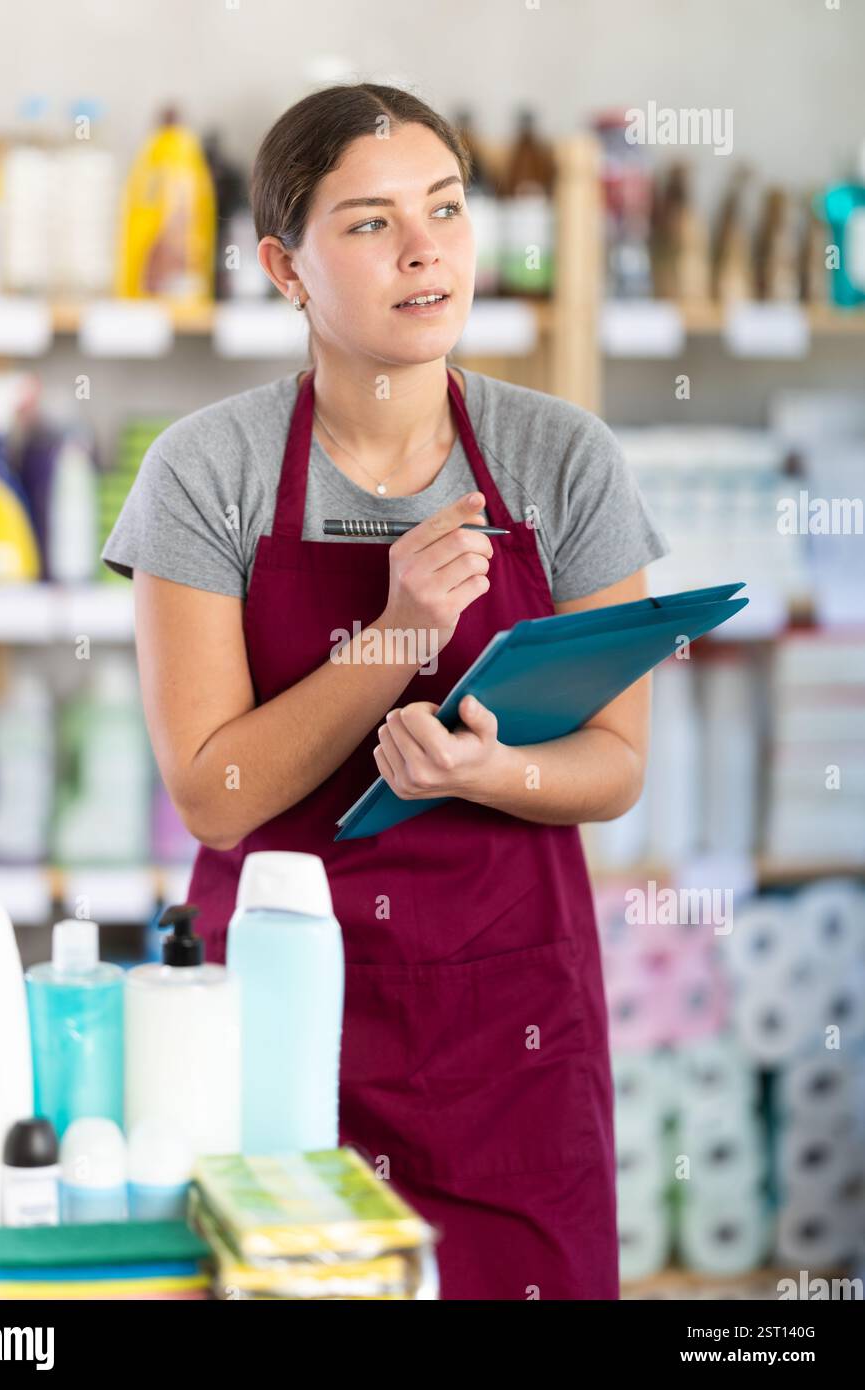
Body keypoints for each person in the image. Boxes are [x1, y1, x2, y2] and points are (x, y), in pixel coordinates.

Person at [102, 83, 670, 1300]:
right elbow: (213, 792)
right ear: (284, 266)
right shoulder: (209, 472)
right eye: (367, 223)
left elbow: (615, 762)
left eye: (446, 209)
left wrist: (489, 772)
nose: (424, 250)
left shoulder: (560, 458)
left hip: (509, 1039)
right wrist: (395, 633)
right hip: (278, 1021)